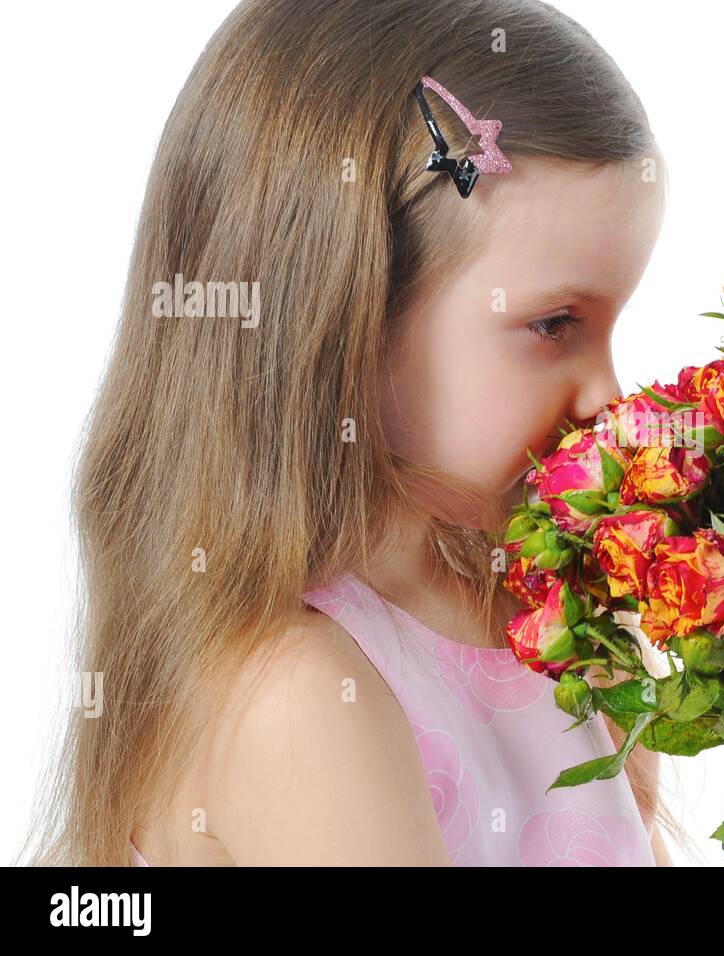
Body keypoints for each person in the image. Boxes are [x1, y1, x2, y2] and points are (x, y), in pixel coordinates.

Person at [20, 0, 690, 866]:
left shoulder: (538, 625)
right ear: (346, 320)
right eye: (556, 324)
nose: (609, 393)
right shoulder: (296, 697)